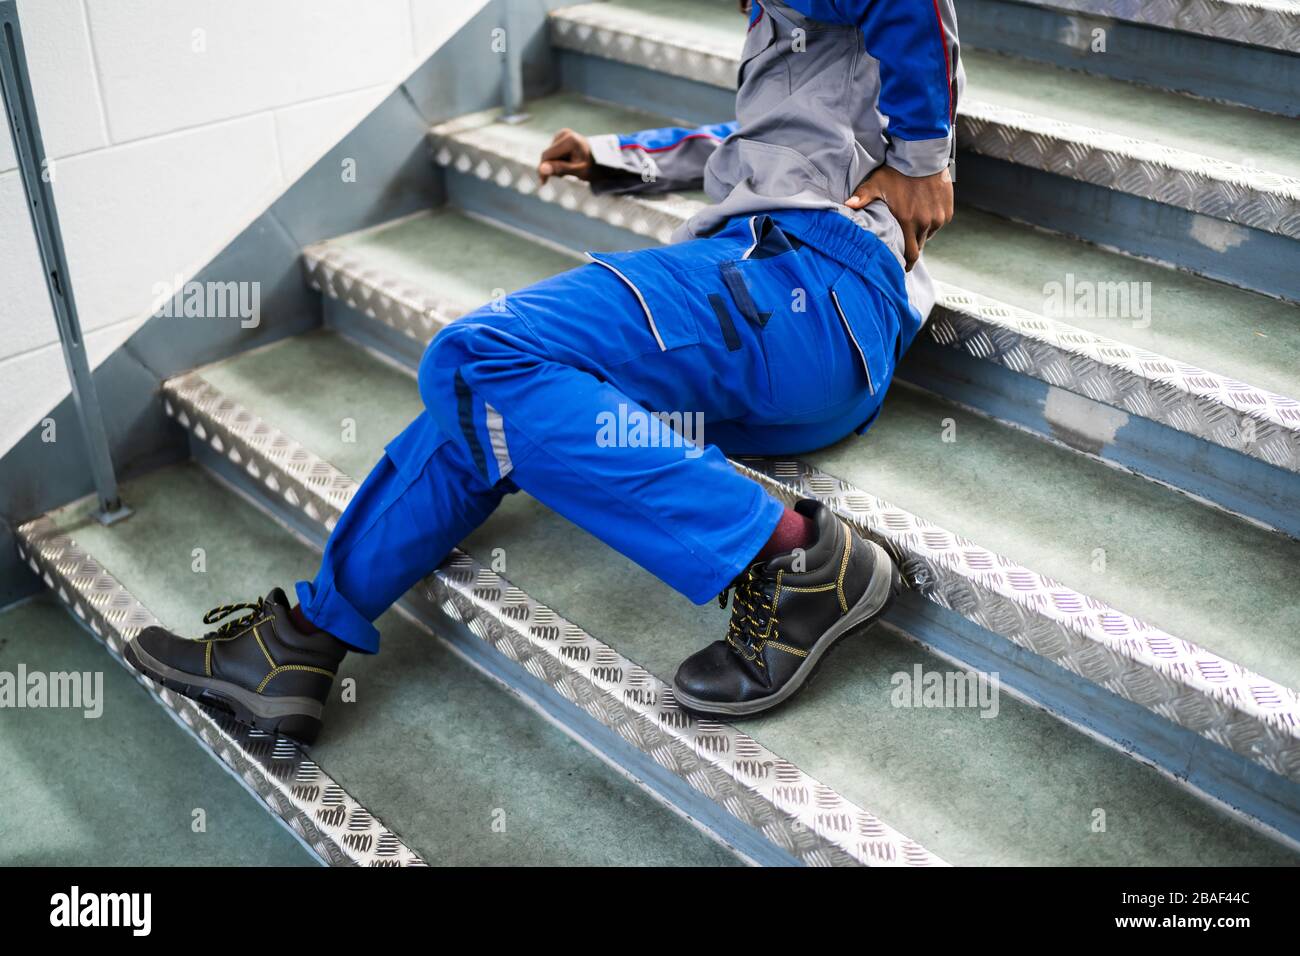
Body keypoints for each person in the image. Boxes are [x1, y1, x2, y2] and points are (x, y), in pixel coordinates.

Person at [125, 0, 962, 744]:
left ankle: (792, 556)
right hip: (805, 356)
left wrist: (924, 157)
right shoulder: (790, 31)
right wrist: (622, 156)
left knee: (484, 351)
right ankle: (302, 645)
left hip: (799, 284)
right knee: (483, 406)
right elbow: (765, 142)